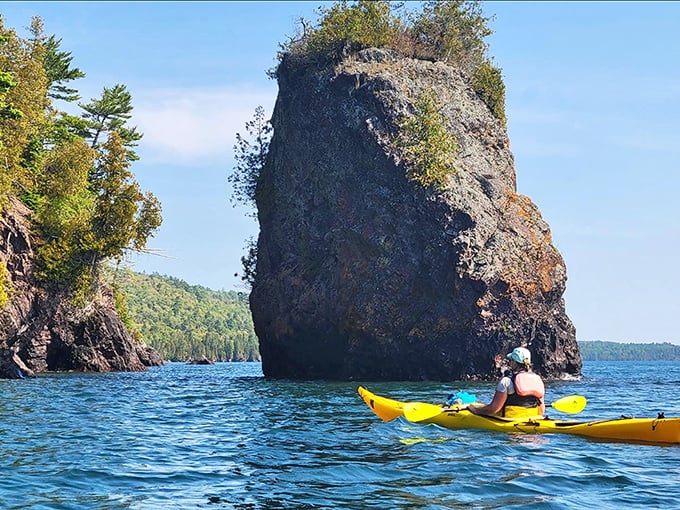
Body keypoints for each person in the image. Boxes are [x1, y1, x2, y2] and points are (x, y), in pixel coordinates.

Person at [468, 347, 545, 418]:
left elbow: (493, 409)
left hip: (511, 422)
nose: (510, 363)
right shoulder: (537, 380)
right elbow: (541, 411)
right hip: (532, 420)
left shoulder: (506, 381)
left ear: (514, 363)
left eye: (511, 360)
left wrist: (475, 410)